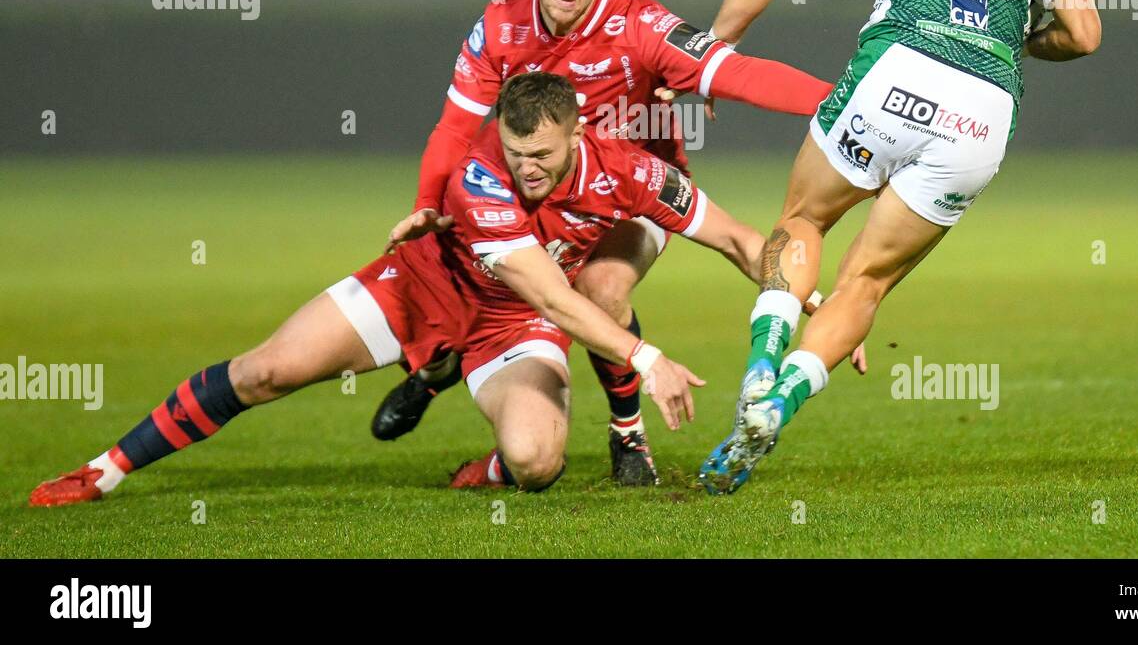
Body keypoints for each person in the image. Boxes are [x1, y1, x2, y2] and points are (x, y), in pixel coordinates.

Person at [29, 73, 769, 505]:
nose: (528, 168)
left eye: (541, 154)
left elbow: (739, 240)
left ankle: (477, 448)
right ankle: (106, 469)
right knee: (264, 372)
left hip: (510, 327)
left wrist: (811, 303)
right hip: (422, 288)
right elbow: (553, 295)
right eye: (517, 153)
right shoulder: (482, 180)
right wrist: (645, 356)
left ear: (576, 134)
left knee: (537, 466)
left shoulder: (630, 172)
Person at [697, 0, 1102, 493]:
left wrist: (711, 55)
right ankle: (781, 402)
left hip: (896, 76)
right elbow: (1086, 32)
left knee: (805, 217)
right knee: (869, 281)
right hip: (983, 111)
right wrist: (1023, 42)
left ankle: (764, 358)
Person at [372, 0, 832, 486]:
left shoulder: (638, 24)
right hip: (535, 194)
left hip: (631, 192)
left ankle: (627, 433)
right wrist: (428, 207)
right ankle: (439, 367)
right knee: (478, 282)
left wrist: (839, 102)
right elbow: (456, 127)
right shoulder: (499, 26)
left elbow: (735, 74)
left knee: (600, 285)